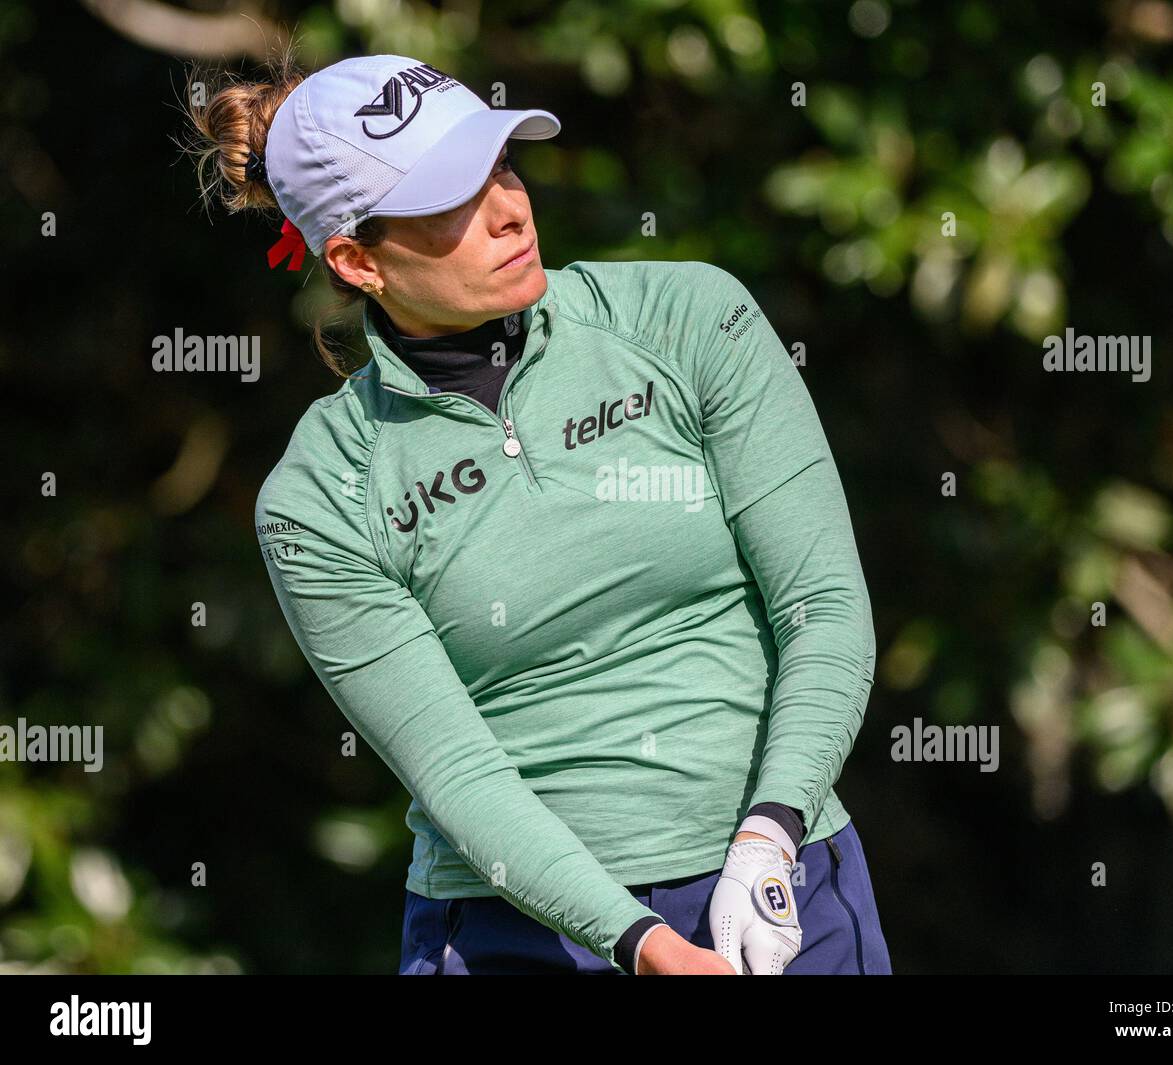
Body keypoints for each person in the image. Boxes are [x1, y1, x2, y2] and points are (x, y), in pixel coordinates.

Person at [188, 51, 891, 975]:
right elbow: (457, 775)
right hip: (515, 929)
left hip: (779, 884)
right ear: (358, 261)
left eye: (501, 168)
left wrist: (768, 839)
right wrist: (642, 944)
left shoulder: (691, 319)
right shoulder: (320, 495)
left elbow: (825, 610)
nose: (510, 210)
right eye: (452, 201)